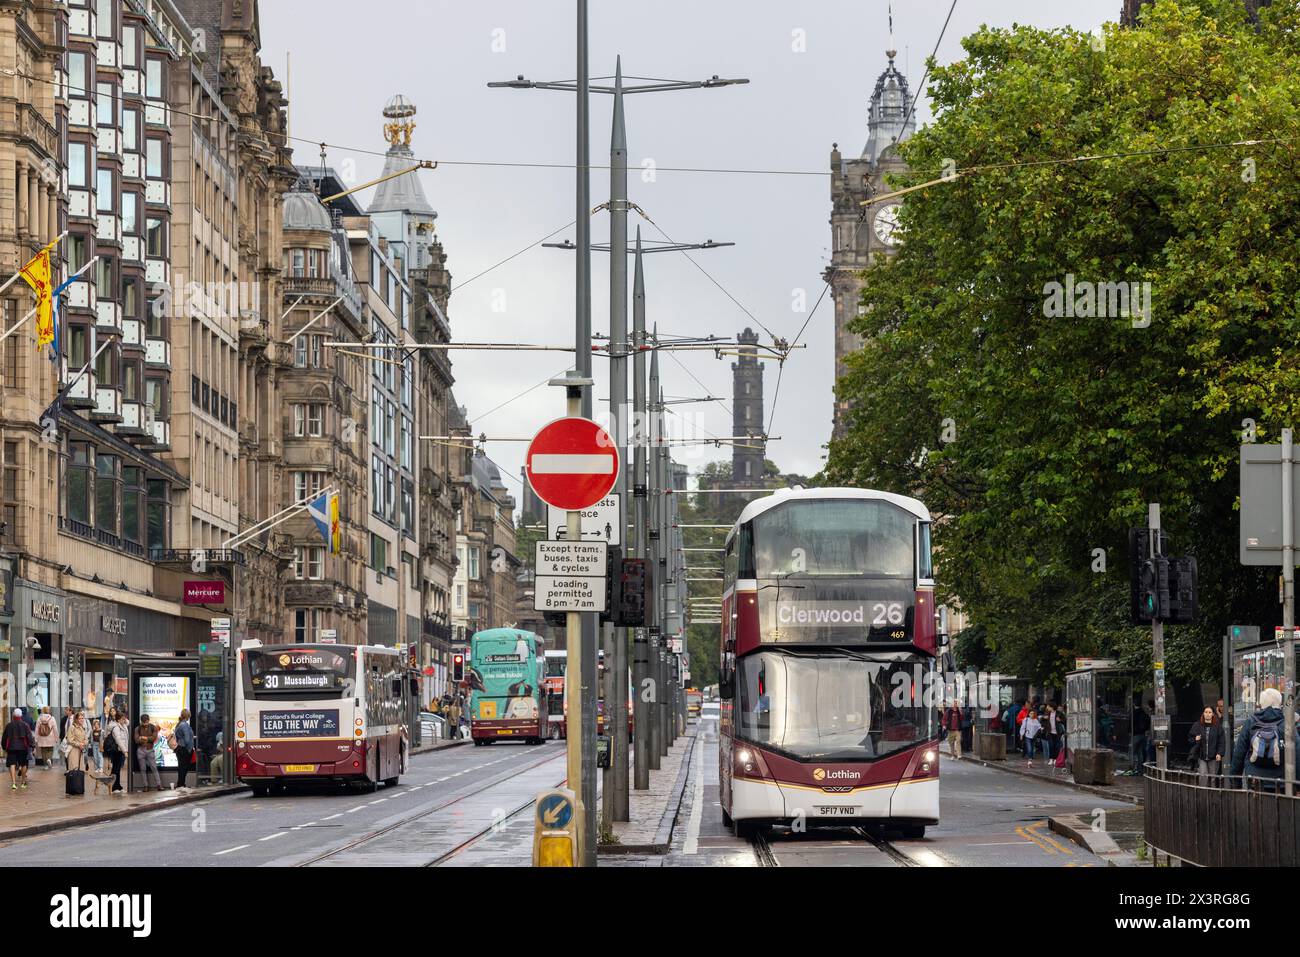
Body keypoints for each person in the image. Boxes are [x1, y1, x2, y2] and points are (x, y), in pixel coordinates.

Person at [1230, 687, 1300, 792]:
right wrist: (1297, 784)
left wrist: (1235, 782)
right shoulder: (1286, 724)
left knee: (1255, 808)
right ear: (1279, 703)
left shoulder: (1251, 722)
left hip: (1255, 781)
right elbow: (1297, 753)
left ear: (1261, 703)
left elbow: (1239, 753)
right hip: (1281, 782)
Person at [1188, 706, 1225, 785]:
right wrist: (1195, 738)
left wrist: (1219, 753)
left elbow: (1221, 741)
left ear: (1213, 714)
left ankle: (1213, 795)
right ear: (1203, 714)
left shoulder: (1217, 726)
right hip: (1202, 756)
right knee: (1203, 776)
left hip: (1214, 756)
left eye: (1210, 712)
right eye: (1206, 712)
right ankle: (1203, 795)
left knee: (1213, 778)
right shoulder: (1197, 725)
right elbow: (1190, 738)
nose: (1207, 714)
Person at [3, 708, 34, 791]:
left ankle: (14, 783)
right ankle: (23, 782)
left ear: (13, 715)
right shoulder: (25, 725)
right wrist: (32, 746)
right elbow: (29, 736)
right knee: (24, 764)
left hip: (11, 747)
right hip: (23, 747)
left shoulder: (9, 725)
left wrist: (4, 747)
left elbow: (4, 737)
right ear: (21, 716)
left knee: (12, 764)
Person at [134, 713, 162, 792]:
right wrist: (147, 739)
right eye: (144, 722)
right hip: (141, 750)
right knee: (143, 769)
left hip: (150, 749)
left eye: (146, 722)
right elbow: (136, 740)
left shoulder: (153, 727)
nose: (145, 724)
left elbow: (153, 738)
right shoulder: (137, 728)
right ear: (141, 721)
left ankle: (159, 785)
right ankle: (145, 785)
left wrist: (143, 737)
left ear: (149, 721)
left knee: (154, 768)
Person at [104, 713, 129, 794]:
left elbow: (128, 722)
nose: (124, 720)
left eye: (124, 718)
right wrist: (125, 751)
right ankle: (113, 786)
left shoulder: (123, 725)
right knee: (115, 769)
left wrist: (124, 750)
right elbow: (119, 740)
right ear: (118, 720)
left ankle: (117, 785)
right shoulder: (116, 728)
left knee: (117, 769)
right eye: (122, 719)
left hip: (120, 750)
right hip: (116, 751)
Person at [173, 709, 195, 790]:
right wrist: (190, 749)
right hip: (184, 749)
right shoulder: (184, 725)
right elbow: (187, 739)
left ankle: (180, 784)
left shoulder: (179, 724)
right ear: (188, 716)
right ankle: (181, 784)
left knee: (181, 767)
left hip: (180, 748)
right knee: (184, 768)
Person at [1128, 702, 1151, 775]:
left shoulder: (1134, 713)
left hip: (1135, 734)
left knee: (1132, 752)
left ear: (1134, 705)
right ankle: (1140, 769)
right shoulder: (1144, 713)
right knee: (1140, 753)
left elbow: (1130, 723)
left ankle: (1132, 768)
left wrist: (1129, 731)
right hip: (1143, 734)